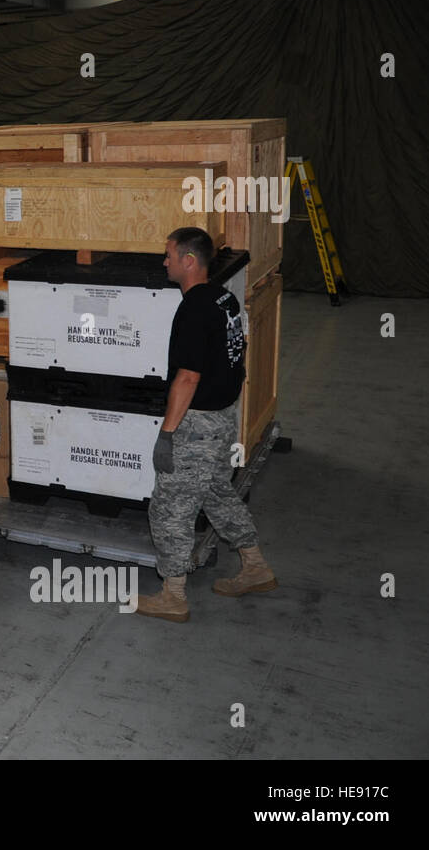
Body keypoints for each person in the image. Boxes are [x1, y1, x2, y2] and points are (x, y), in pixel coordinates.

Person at [137, 227, 278, 623]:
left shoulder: (195, 308)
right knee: (217, 493)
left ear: (188, 261)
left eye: (169, 255)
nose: (164, 262)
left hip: (196, 426)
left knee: (169, 509)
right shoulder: (224, 299)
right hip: (222, 418)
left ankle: (173, 595)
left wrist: (167, 434)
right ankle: (255, 566)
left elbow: (188, 377)